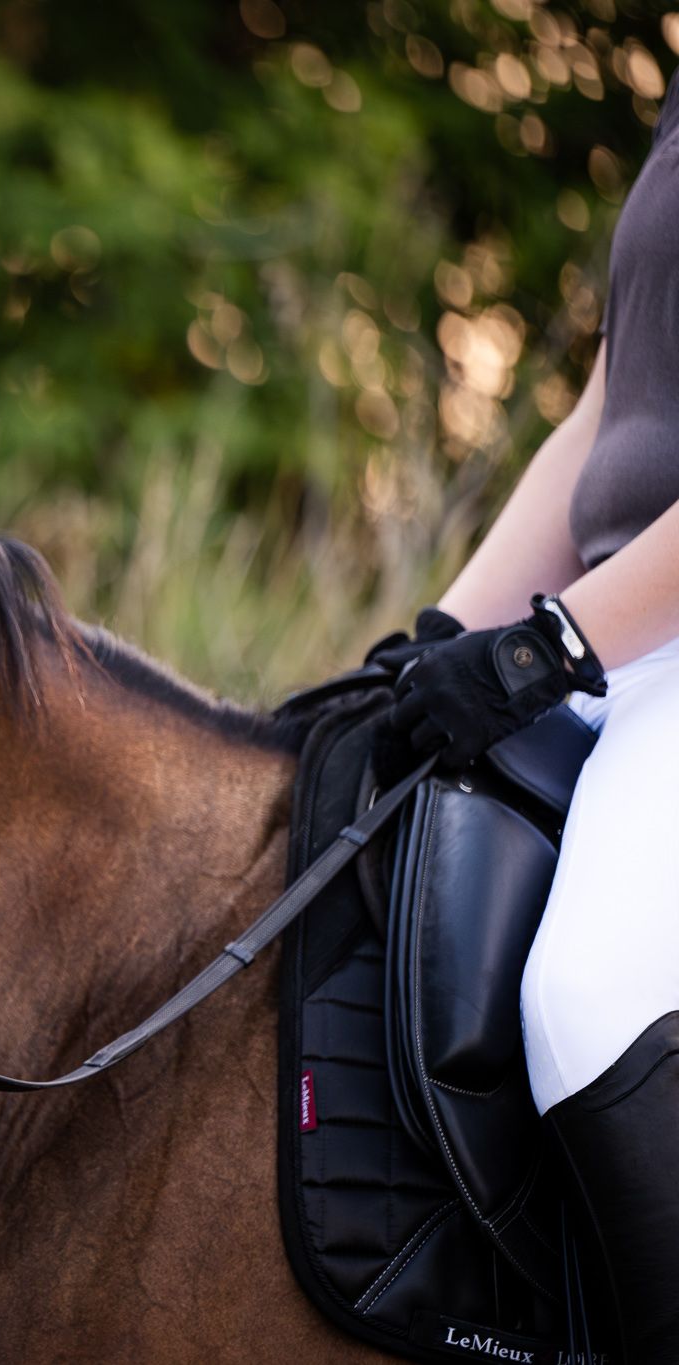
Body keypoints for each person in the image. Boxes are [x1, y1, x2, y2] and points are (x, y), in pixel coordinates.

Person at [373, 91, 677, 1359]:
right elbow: (608, 414)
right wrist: (443, 637)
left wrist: (551, 646)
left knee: (582, 995)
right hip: (626, 640)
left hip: (637, 643)